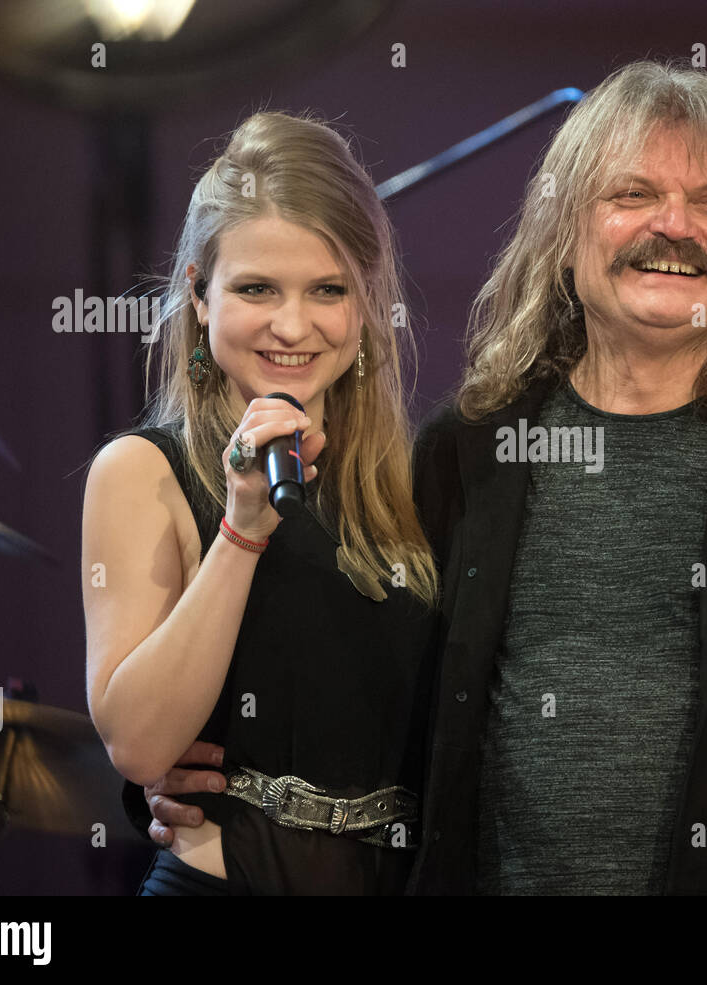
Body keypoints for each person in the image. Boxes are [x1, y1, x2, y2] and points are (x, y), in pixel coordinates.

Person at [140, 60, 707, 895]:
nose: (675, 226)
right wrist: (229, 787)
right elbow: (379, 699)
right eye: (633, 195)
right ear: (566, 230)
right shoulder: (466, 452)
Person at [82, 110, 438, 895]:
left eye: (327, 290)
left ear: (365, 304)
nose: (292, 324)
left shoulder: (409, 485)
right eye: (255, 288)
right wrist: (242, 529)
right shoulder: (142, 470)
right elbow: (138, 745)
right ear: (199, 297)